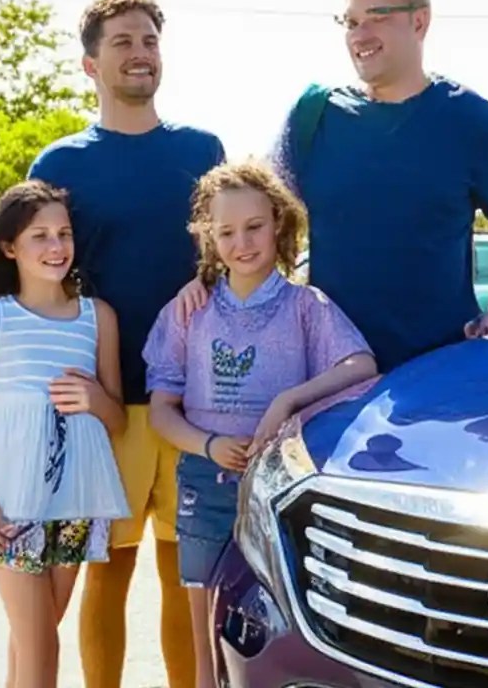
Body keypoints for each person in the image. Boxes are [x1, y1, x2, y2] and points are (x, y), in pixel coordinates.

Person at [0, 0, 224, 688]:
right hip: (102, 406)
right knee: (109, 572)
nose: (140, 52)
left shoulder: (201, 150)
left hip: (193, 402)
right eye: (123, 42)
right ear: (90, 64)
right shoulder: (62, 159)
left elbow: (227, 258)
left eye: (150, 40)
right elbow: (15, 244)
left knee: (185, 576)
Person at [175, 0, 488, 373]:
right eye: (350, 22)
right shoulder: (314, 115)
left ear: (420, 21)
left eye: (377, 17)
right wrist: (210, 279)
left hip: (441, 371)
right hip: (329, 373)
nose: (359, 35)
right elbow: (254, 216)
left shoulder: (472, 121)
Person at [143, 161, 377, 688]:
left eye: (254, 227)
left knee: (278, 616)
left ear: (279, 224)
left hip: (278, 481)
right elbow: (162, 409)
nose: (242, 242)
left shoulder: (305, 306)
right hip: (205, 481)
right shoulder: (189, 313)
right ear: (208, 237)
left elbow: (360, 365)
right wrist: (208, 443)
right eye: (225, 232)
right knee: (203, 623)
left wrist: (289, 401)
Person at [0, 180, 130, 688]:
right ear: (10, 247)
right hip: (8, 505)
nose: (56, 247)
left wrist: (95, 401)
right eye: (39, 237)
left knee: (34, 638)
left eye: (63, 234)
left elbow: (117, 421)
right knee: (42, 649)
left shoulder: (99, 317)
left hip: (76, 502)